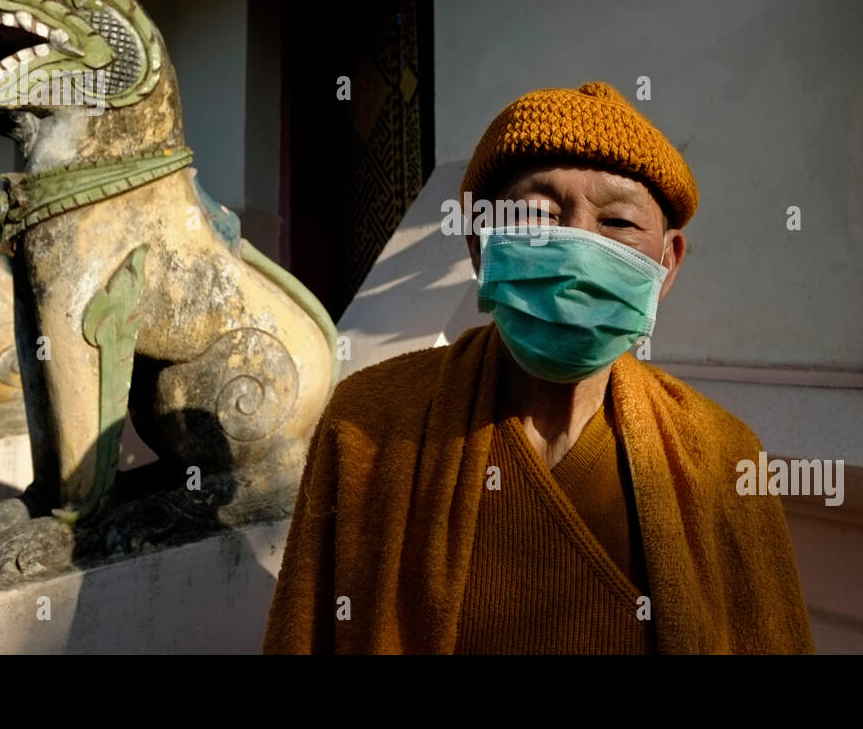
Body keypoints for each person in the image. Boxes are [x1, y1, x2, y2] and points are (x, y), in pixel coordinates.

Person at [263, 80, 814, 654]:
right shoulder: (370, 424)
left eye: (618, 223)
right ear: (481, 245)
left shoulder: (723, 456)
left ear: (667, 266)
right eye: (534, 215)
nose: (574, 247)